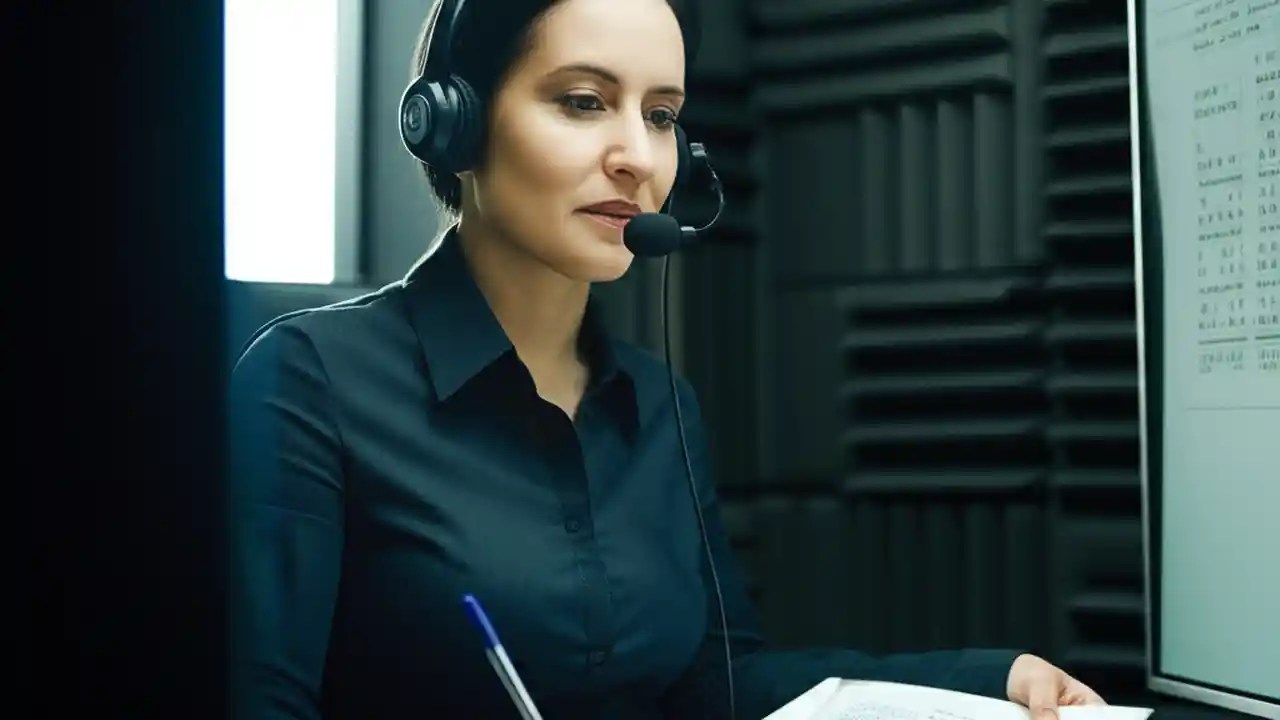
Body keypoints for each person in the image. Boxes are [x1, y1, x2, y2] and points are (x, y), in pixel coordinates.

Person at [228, 0, 1107, 717]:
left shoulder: (660, 404)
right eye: (584, 102)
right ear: (455, 124)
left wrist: (988, 682)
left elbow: (713, 688)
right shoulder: (309, 383)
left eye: (660, 117)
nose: (637, 159)